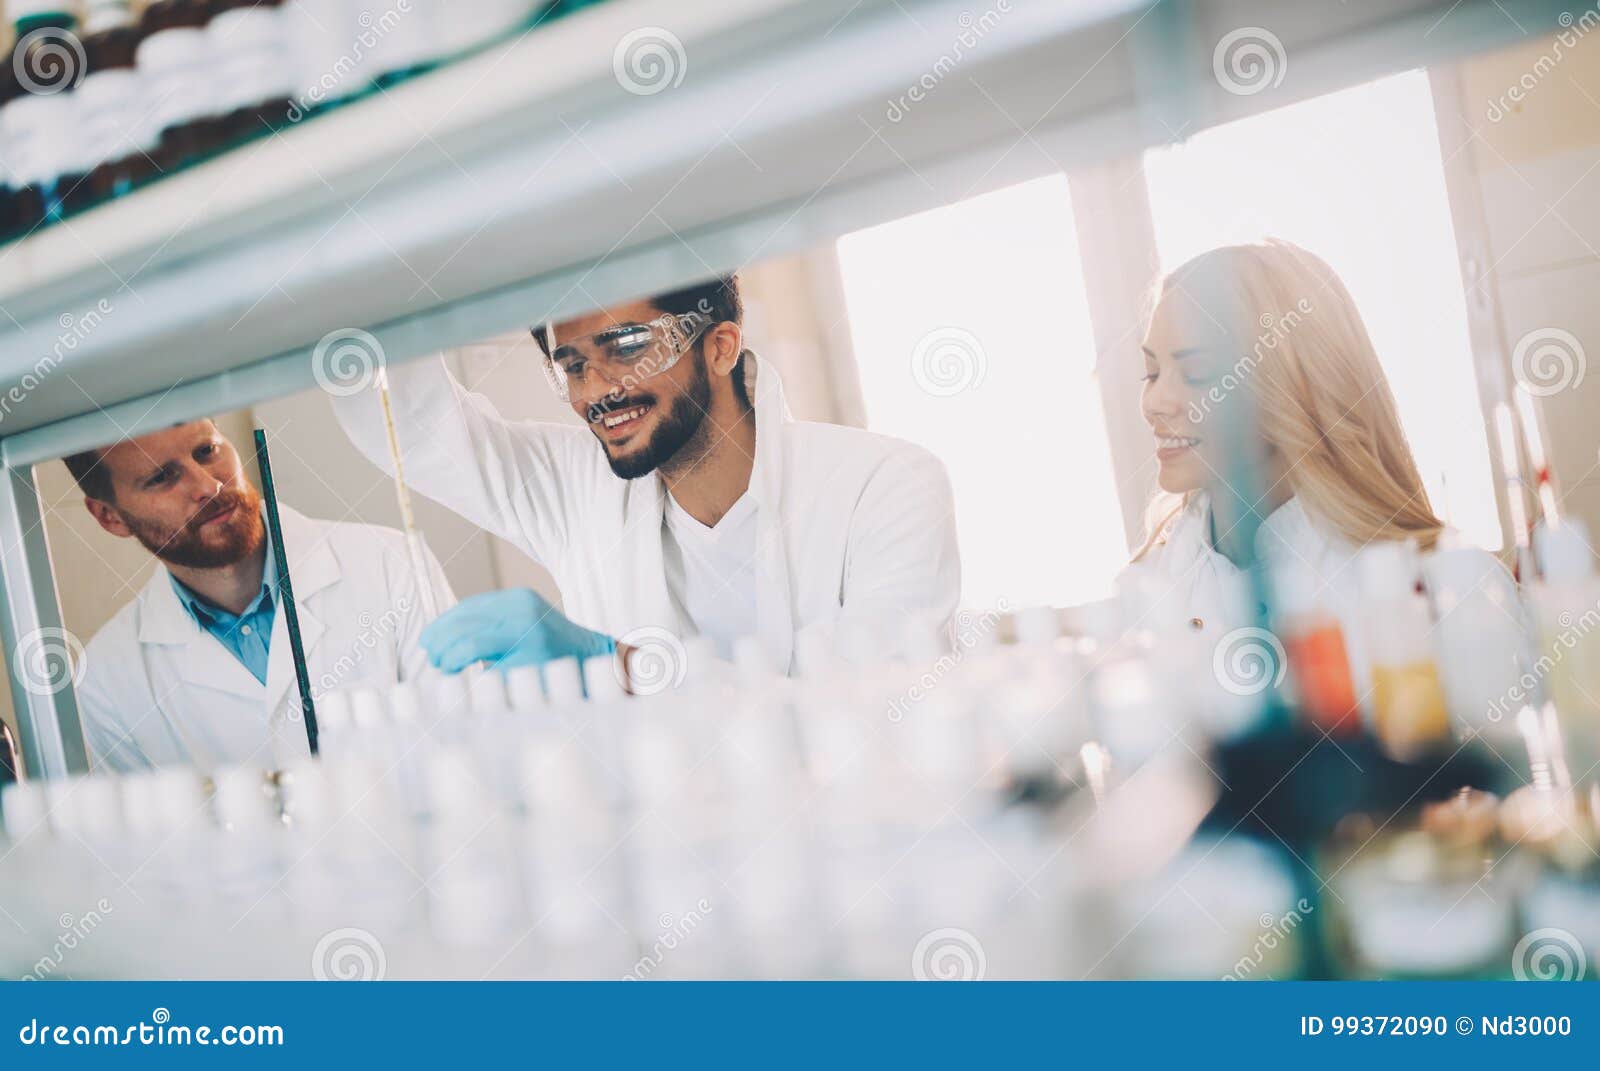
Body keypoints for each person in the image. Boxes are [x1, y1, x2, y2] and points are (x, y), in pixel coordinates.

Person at [336, 274, 960, 679]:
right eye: (574, 366)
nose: (598, 392)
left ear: (719, 347)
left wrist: (618, 668)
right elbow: (412, 429)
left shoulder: (885, 484)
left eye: (629, 346)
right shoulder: (574, 488)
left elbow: (877, 702)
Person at [1128, 239, 1512, 688]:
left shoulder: (1447, 588)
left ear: (1292, 384)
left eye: (1196, 372)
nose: (1155, 401)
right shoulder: (1143, 598)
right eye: (1151, 373)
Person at [64, 419, 454, 773]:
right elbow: (152, 847)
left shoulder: (392, 563)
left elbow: (465, 754)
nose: (208, 486)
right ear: (109, 517)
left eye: (206, 452)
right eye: (162, 477)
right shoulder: (106, 681)